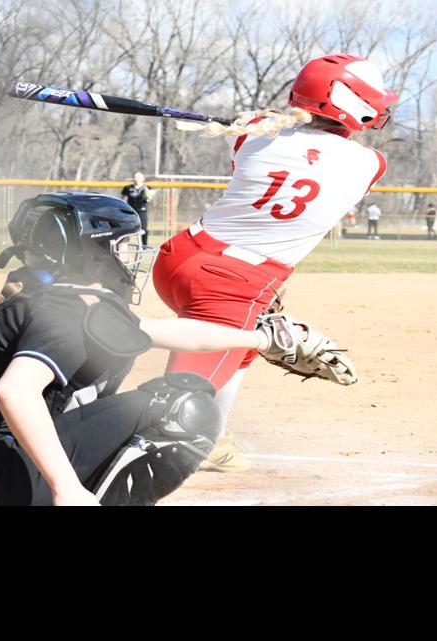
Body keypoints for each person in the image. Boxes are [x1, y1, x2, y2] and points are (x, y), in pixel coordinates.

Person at [0, 193, 313, 506]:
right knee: (178, 404)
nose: (132, 257)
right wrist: (65, 488)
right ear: (92, 254)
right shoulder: (66, 311)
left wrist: (266, 340)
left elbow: (169, 333)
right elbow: (15, 392)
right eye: (125, 246)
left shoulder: (52, 297)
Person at [157, 53, 389, 472]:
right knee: (179, 403)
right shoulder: (370, 164)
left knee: (242, 351)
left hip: (179, 258)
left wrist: (261, 123)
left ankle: (214, 435)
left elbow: (264, 149)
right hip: (232, 283)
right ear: (351, 104)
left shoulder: (253, 137)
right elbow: (316, 157)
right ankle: (170, 437)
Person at [120, 171, 152, 245]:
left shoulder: (147, 187)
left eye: (138, 177)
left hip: (142, 210)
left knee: (143, 228)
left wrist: (148, 196)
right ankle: (123, 244)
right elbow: (123, 199)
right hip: (130, 210)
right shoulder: (127, 188)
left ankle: (144, 245)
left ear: (143, 178)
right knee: (125, 228)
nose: (136, 178)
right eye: (135, 177)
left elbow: (149, 199)